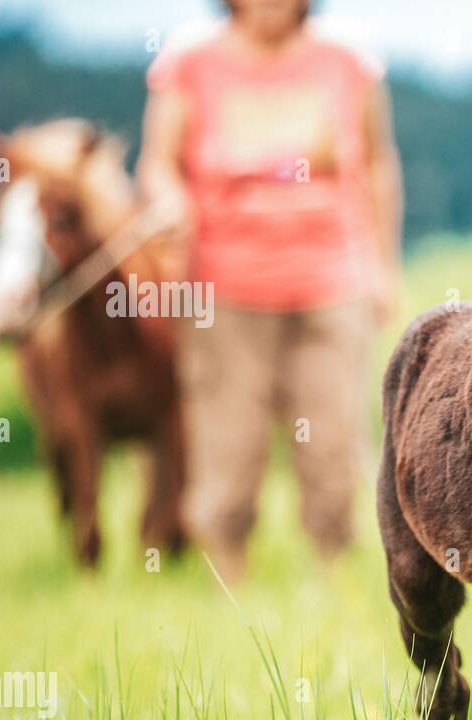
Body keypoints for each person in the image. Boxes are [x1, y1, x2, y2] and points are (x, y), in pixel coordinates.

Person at [138, 0, 403, 582]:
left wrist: (385, 267)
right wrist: (168, 199)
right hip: (225, 286)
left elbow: (380, 165)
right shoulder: (189, 59)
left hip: (335, 280)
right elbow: (158, 164)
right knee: (228, 439)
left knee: (333, 436)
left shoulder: (349, 58)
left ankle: (331, 573)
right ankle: (228, 578)